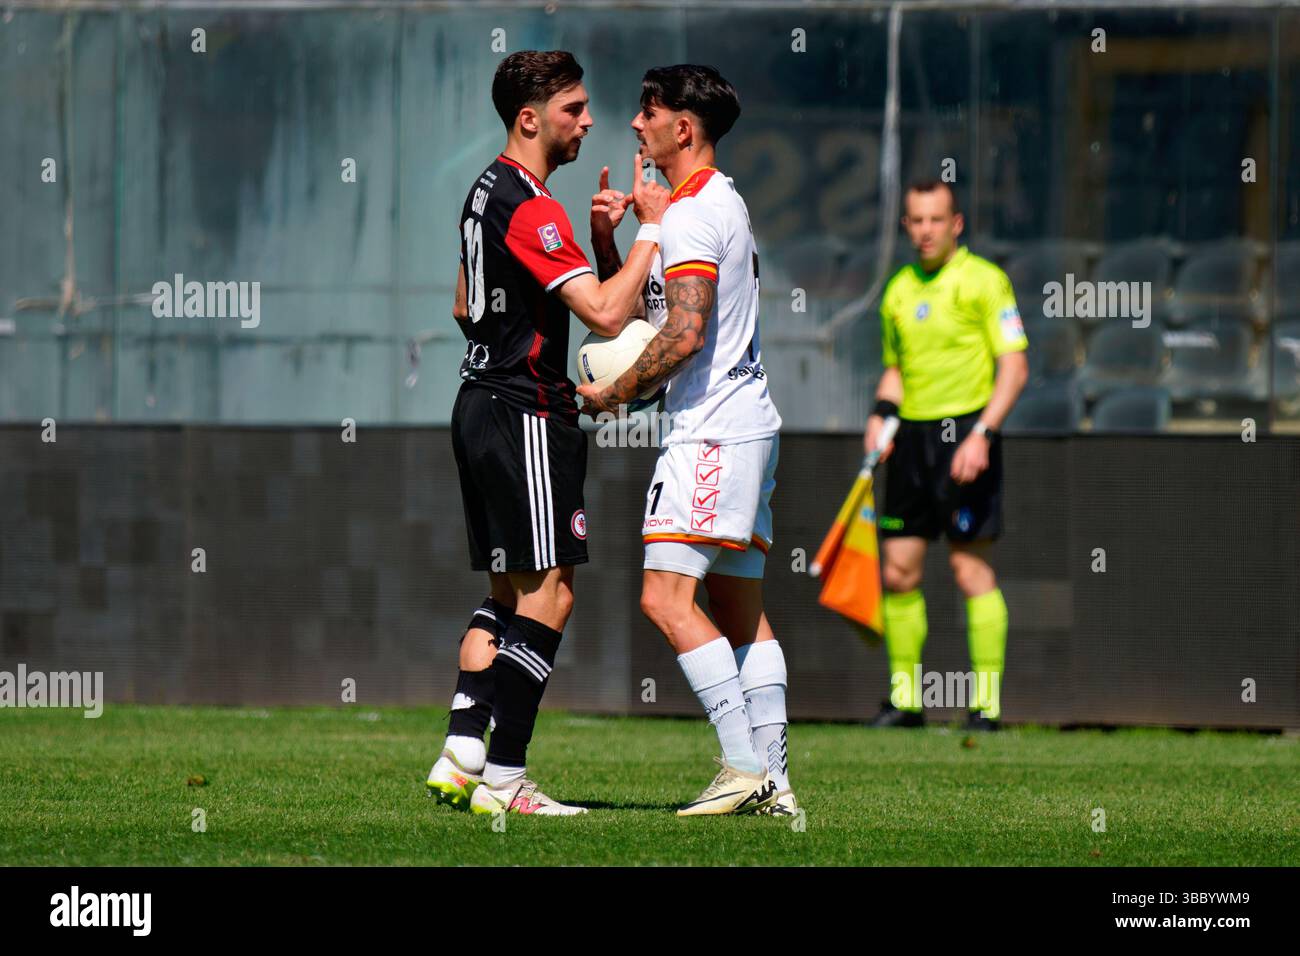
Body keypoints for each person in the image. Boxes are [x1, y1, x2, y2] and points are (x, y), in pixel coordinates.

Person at [426, 50, 668, 816]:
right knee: (553, 594)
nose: (589, 120)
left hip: (477, 403)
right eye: (574, 108)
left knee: (506, 596)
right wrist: (651, 234)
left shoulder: (481, 192)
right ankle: (506, 779)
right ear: (529, 118)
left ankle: (464, 747)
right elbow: (603, 313)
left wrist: (598, 246)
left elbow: (465, 305)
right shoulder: (530, 204)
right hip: (525, 409)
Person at [579, 65, 790, 816]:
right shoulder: (698, 206)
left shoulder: (697, 213)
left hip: (712, 432)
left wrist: (615, 393)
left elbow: (686, 332)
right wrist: (618, 239)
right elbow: (654, 313)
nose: (637, 125)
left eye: (649, 112)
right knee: (739, 614)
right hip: (743, 425)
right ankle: (777, 789)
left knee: (666, 599)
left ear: (684, 129)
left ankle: (743, 769)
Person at [864, 180, 1028, 731]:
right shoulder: (898, 290)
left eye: (936, 219)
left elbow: (1015, 367)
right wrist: (879, 417)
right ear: (906, 226)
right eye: (917, 220)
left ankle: (987, 706)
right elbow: (895, 369)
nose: (927, 230)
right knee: (899, 571)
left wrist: (982, 433)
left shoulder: (986, 280)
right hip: (911, 442)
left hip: (967, 437)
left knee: (968, 567)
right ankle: (907, 701)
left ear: (956, 223)